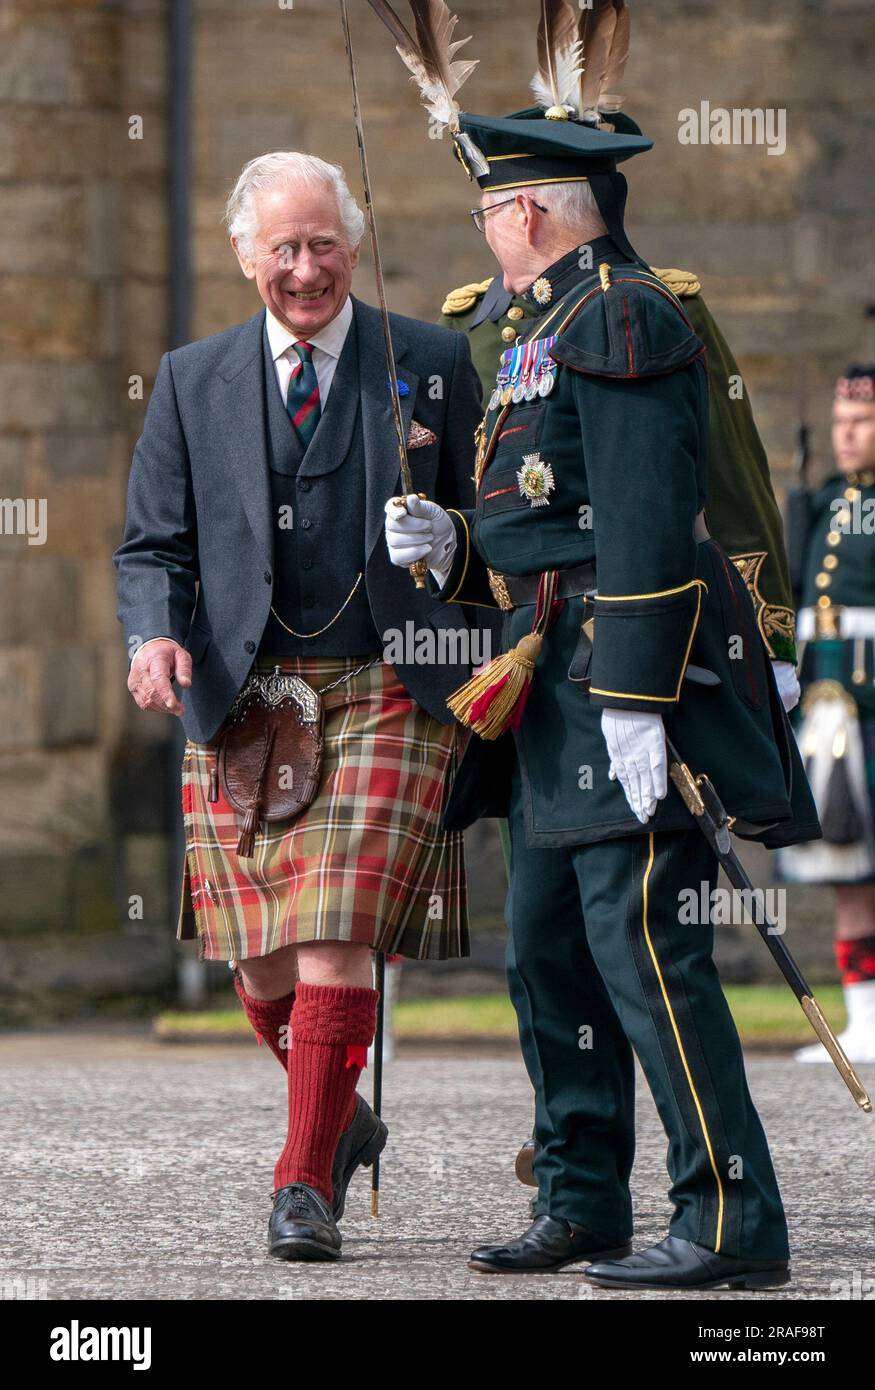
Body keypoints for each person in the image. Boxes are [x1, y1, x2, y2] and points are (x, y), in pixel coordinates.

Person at [384, 97, 821, 1289]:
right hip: (545, 686)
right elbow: (544, 524)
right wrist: (454, 547)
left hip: (613, 685)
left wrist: (633, 699)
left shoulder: (620, 315)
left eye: (487, 209)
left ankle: (730, 1222)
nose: (482, 229)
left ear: (527, 209)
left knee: (645, 954)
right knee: (544, 956)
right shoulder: (541, 324)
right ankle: (582, 1201)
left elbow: (636, 516)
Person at [113, 150, 488, 1263]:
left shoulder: (425, 359)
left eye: (323, 242)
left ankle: (302, 1181)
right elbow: (151, 545)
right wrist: (154, 634)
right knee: (257, 961)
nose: (305, 267)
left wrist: (455, 541)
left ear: (353, 245)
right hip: (240, 693)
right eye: (282, 246)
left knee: (332, 932)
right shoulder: (191, 378)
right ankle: (343, 1113)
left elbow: (491, 525)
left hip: (389, 678)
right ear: (245, 255)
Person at [780, 365, 875, 1064]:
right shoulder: (824, 501)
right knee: (845, 862)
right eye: (840, 423)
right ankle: (863, 1020)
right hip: (828, 701)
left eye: (861, 423)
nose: (846, 436)